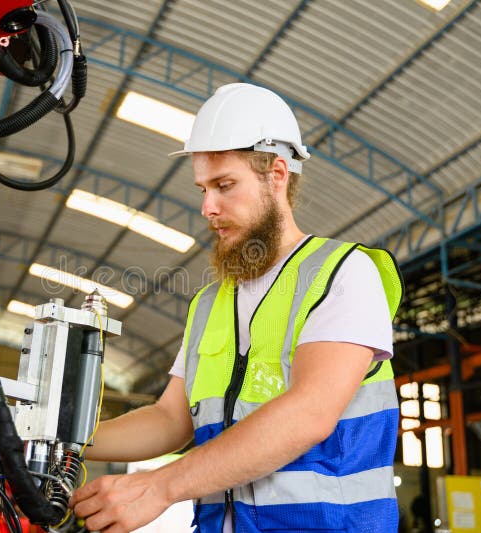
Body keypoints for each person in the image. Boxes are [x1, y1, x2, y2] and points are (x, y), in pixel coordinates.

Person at [70, 83, 403, 533]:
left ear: (277, 175)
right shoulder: (209, 304)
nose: (208, 207)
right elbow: (171, 420)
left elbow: (310, 413)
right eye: (203, 188)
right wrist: (60, 437)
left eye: (225, 185)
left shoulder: (343, 273)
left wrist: (159, 487)